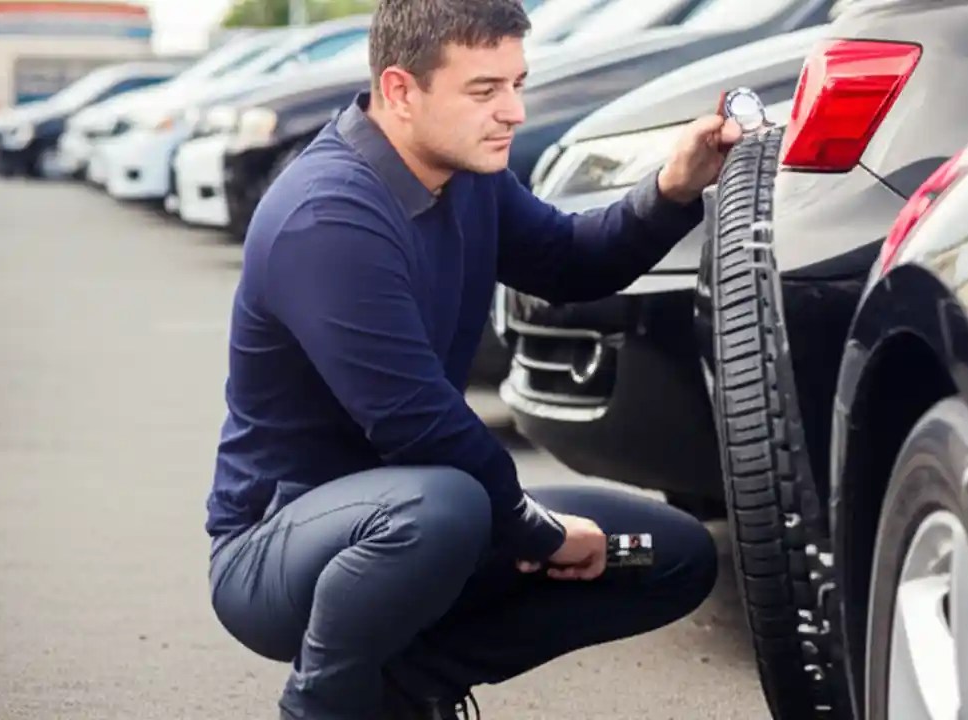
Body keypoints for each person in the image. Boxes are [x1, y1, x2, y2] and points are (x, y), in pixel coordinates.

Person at [204, 0, 742, 717]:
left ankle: (411, 685)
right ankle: (323, 704)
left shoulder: (469, 179)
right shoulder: (327, 216)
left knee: (664, 554)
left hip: (434, 524)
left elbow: (573, 262)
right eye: (485, 91)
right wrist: (538, 531)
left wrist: (674, 187)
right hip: (283, 551)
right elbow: (419, 426)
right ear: (400, 90)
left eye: (518, 83)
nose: (513, 112)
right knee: (447, 503)